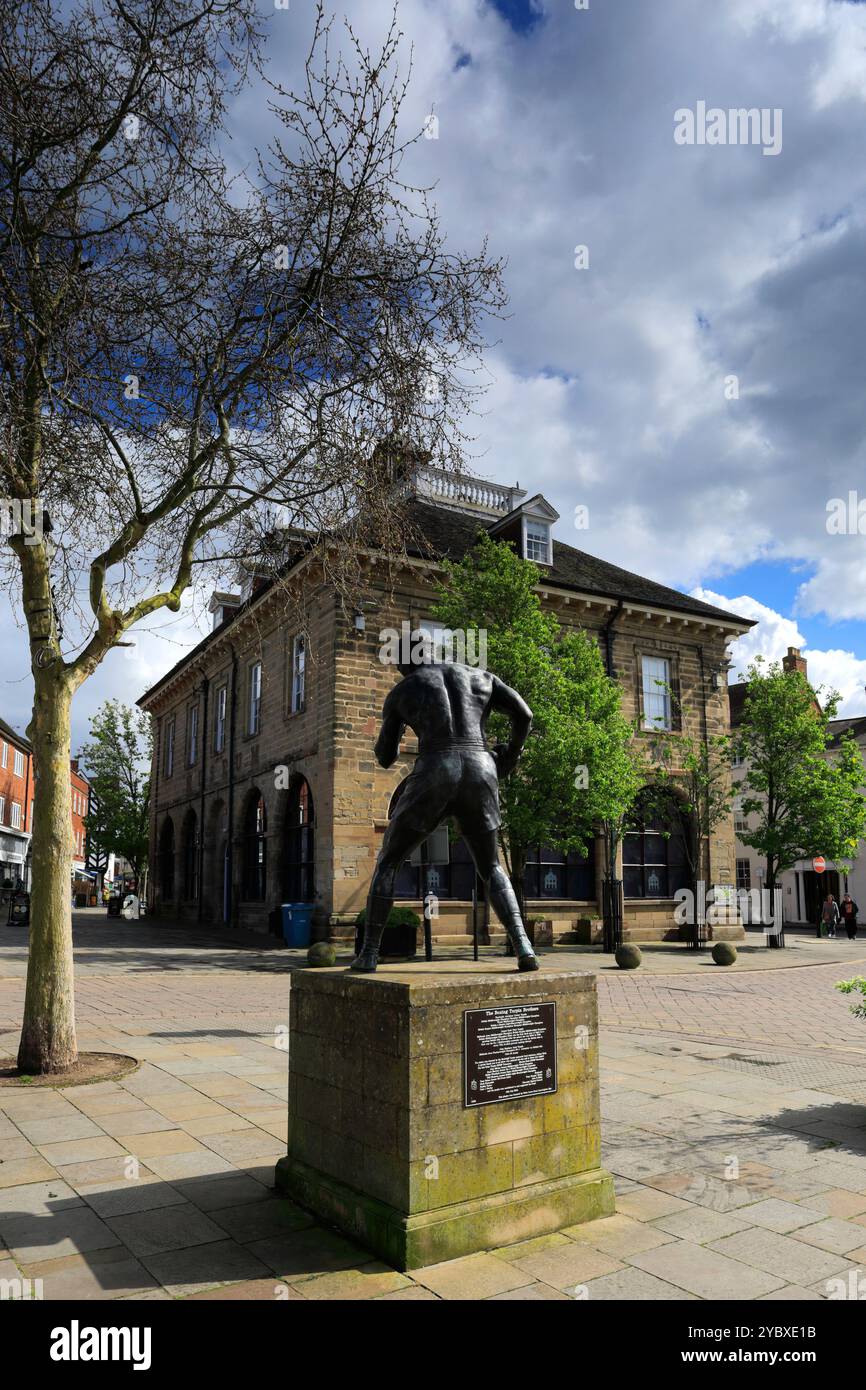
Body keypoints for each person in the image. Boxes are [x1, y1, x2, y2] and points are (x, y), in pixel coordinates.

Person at [351, 656, 538, 973]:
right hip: (481, 768)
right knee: (491, 866)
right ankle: (523, 945)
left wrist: (391, 728)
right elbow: (524, 714)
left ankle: (369, 953)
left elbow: (385, 757)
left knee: (389, 861)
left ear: (405, 664)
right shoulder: (481, 677)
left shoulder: (404, 689)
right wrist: (511, 757)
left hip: (436, 767)